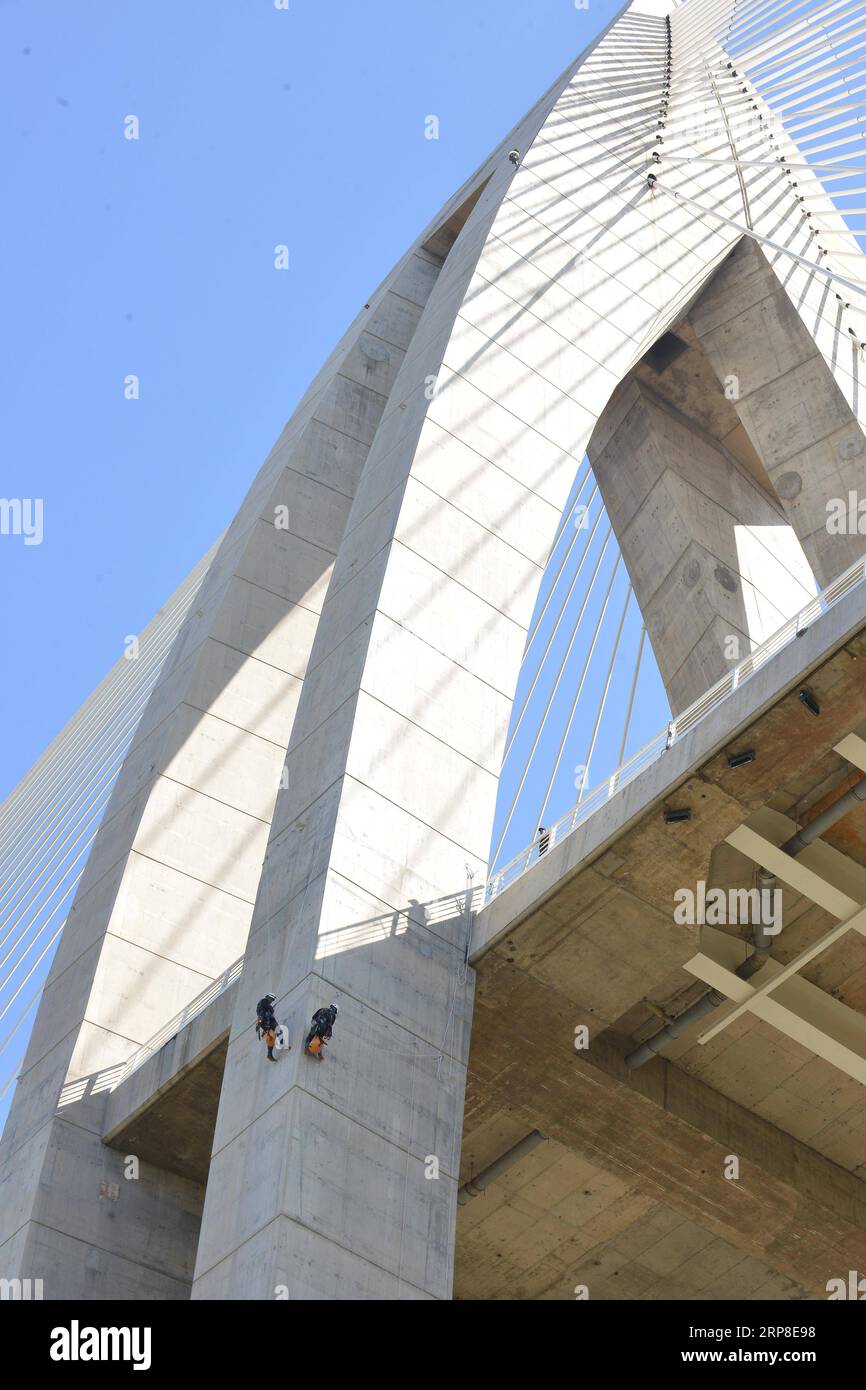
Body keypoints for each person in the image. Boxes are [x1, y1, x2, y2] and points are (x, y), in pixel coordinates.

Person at [256, 992, 279, 1063]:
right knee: (275, 1033)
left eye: (272, 999)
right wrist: (271, 1009)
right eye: (271, 999)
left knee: (271, 1037)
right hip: (266, 1021)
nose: (271, 1001)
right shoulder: (263, 1002)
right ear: (267, 997)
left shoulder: (263, 1004)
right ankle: (281, 1044)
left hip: (266, 1022)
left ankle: (270, 1054)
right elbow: (270, 1009)